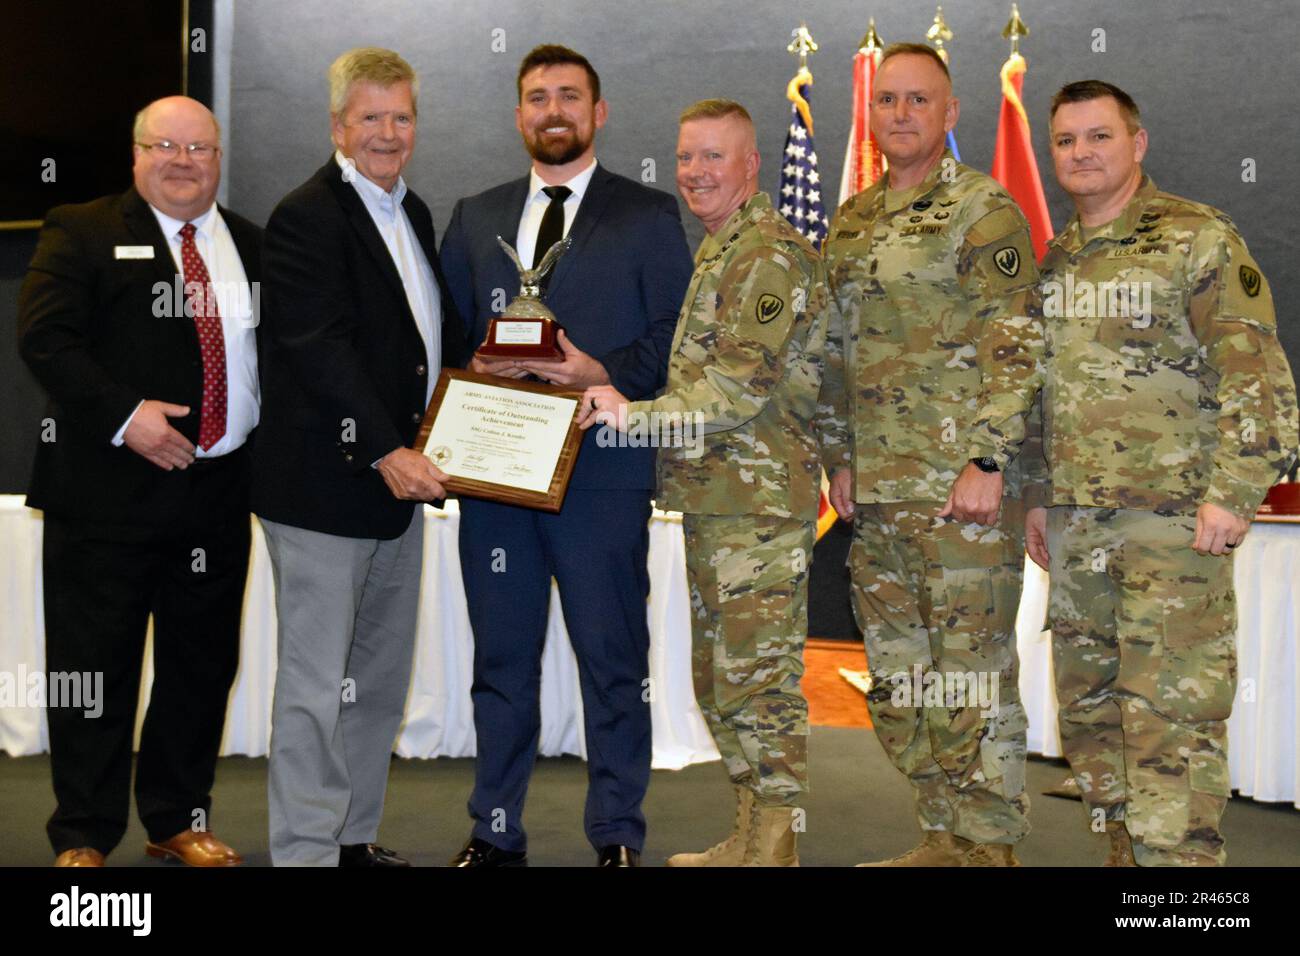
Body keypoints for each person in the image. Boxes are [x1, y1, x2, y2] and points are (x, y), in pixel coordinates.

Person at [1014, 80, 1297, 865]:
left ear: (1137, 145)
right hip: (1078, 532)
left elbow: (1258, 378)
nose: (1080, 153)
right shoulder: (1059, 256)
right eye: (1066, 140)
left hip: (1173, 530)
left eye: (1099, 136)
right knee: (1097, 725)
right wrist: (1037, 496)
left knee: (1170, 724)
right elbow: (1045, 391)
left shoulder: (1195, 238)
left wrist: (1233, 494)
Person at [439, 44, 692, 867]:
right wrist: (467, 371)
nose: (554, 110)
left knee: (612, 663)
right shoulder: (475, 215)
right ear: (518, 114)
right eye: (538, 97)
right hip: (498, 478)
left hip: (602, 474)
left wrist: (600, 371)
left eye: (570, 97)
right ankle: (494, 832)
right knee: (501, 664)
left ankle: (616, 835)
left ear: (599, 112)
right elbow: (444, 338)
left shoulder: (649, 214)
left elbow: (675, 339)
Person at [582, 99, 831, 866]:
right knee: (725, 679)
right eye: (685, 157)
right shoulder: (723, 249)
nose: (694, 173)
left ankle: (777, 843)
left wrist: (633, 415)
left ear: (752, 164)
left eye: (713, 157)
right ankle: (752, 828)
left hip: (756, 507)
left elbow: (736, 391)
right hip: (717, 502)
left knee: (760, 682)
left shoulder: (767, 255)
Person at [18, 96, 261, 867]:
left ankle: (176, 821)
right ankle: (83, 834)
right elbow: (45, 338)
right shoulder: (82, 229)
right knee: (92, 671)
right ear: (135, 155)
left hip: (217, 496)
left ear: (219, 159)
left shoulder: (250, 245)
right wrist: (128, 417)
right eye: (166, 145)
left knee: (200, 668)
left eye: (200, 148)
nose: (183, 161)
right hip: (106, 494)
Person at [820, 43, 1040, 866]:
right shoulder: (853, 220)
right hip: (875, 497)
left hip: (962, 499)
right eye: (889, 101)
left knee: (971, 682)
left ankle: (992, 848)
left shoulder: (984, 211)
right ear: (872, 113)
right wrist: (839, 454)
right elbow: (833, 352)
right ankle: (942, 833)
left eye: (920, 101)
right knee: (902, 683)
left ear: (951, 115)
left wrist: (987, 460)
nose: (902, 114)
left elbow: (1017, 341)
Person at [253, 47, 465, 867]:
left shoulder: (409, 212)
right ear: (339, 125)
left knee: (375, 683)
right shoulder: (306, 216)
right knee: (312, 692)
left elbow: (428, 342)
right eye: (370, 117)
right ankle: (305, 851)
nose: (388, 132)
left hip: (397, 493)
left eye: (401, 116)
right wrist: (384, 447)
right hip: (323, 493)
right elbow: (317, 344)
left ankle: (351, 839)